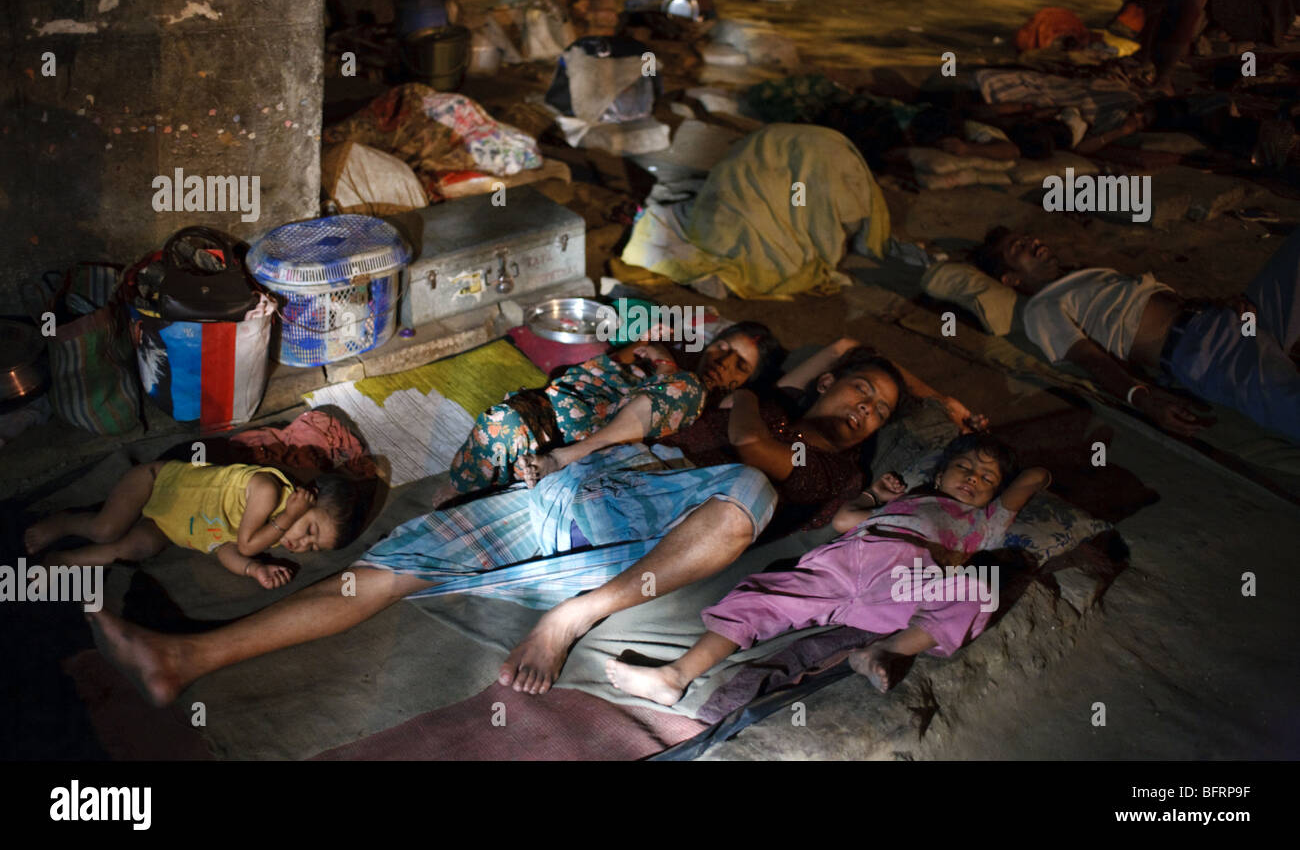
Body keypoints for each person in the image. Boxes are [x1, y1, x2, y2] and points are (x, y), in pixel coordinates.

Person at [87, 340, 915, 705]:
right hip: (596, 480)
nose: (864, 410)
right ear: (830, 379)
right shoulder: (769, 393)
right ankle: (184, 658)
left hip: (674, 526)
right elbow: (786, 381)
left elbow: (761, 461)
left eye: (880, 412)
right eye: (859, 390)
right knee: (392, 566)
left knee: (749, 487)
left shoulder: (828, 462)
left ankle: (569, 617)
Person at [607, 435, 1051, 703]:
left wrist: (992, 452)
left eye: (986, 478)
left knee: (980, 588)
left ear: (995, 495)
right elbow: (843, 521)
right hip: (847, 561)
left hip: (909, 582)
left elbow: (1035, 475)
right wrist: (874, 498)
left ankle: (891, 651)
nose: (972, 477)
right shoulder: (908, 499)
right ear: (938, 476)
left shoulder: (984, 522)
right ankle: (675, 676)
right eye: (964, 467)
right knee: (762, 596)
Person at [971, 226, 1300, 444]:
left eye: (1030, 239)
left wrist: (1222, 304)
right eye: (1021, 248)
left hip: (1236, 318)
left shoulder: (1083, 277)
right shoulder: (1043, 307)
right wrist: (1143, 399)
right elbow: (1091, 359)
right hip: (1206, 350)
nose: (1035, 243)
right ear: (1010, 280)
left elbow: (1161, 303)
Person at [444, 321, 780, 500]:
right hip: (560, 413)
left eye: (740, 365)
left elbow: (748, 434)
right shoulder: (675, 350)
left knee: (687, 386)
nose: (723, 362)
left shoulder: (720, 404)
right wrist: (662, 355)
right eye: (723, 347)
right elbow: (616, 358)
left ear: (748, 381)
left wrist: (666, 371)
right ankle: (459, 495)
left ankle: (558, 460)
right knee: (504, 420)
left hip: (597, 449)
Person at [24, 463, 360, 589]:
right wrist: (279, 526)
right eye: (311, 531)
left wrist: (252, 570)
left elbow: (227, 548)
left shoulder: (275, 533)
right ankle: (64, 521)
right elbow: (245, 543)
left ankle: (66, 561)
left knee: (133, 548)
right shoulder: (267, 490)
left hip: (171, 525)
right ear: (307, 498)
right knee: (106, 529)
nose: (303, 546)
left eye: (313, 547)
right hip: (155, 484)